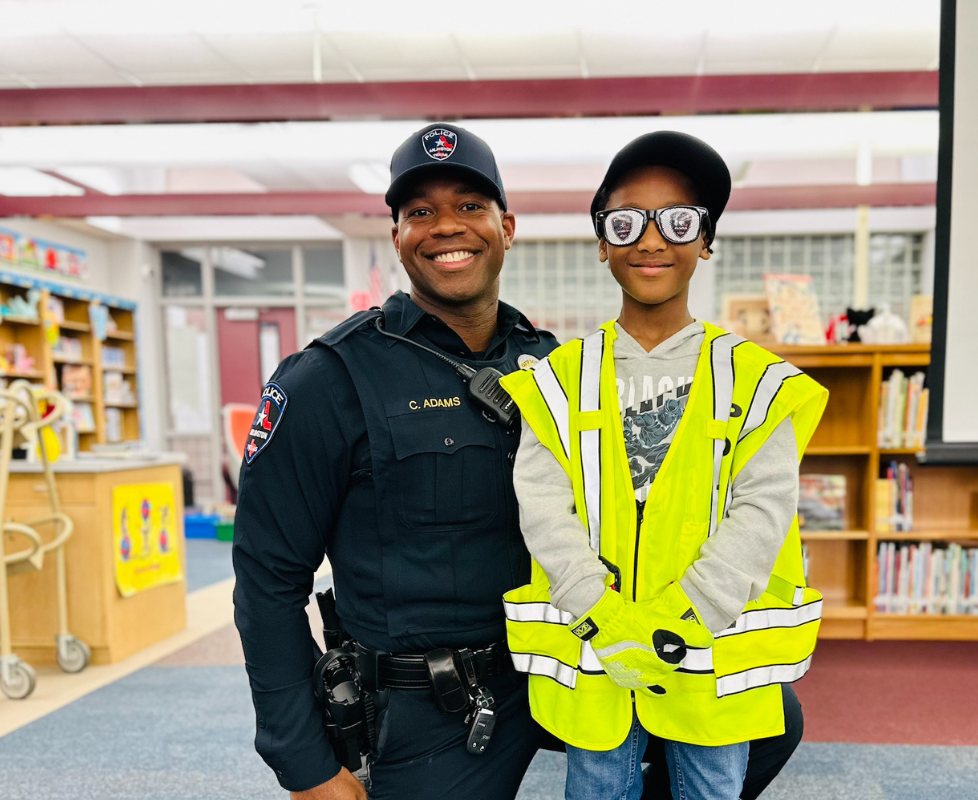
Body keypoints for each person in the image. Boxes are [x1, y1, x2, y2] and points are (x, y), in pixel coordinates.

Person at [232, 122, 807, 800]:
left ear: (506, 227)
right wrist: (305, 764)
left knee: (771, 722)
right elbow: (267, 578)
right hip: (436, 708)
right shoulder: (328, 379)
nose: (448, 226)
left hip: (564, 654)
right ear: (397, 236)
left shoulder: (554, 365)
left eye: (470, 206)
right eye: (420, 212)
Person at [501, 131, 828, 800]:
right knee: (597, 785)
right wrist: (602, 614)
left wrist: (681, 618)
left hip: (709, 652)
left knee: (711, 789)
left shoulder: (757, 381)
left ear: (705, 239)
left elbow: (762, 512)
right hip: (597, 646)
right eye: (627, 222)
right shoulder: (558, 381)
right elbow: (542, 505)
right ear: (603, 241)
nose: (651, 240)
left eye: (677, 221)